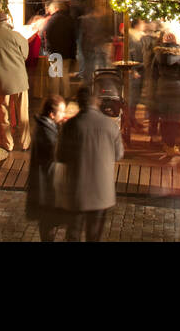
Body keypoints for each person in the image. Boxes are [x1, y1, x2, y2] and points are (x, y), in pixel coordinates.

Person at [56, 84, 123, 241]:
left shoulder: (71, 126)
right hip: (102, 192)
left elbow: (61, 156)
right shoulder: (111, 125)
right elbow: (118, 154)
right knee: (94, 235)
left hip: (77, 191)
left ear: (79, 103)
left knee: (74, 233)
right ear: (96, 102)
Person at [0, 10, 31, 151]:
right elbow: (25, 55)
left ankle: (8, 144)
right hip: (20, 79)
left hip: (3, 80)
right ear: (7, 22)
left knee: (4, 114)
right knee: (23, 113)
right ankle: (25, 143)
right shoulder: (16, 36)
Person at [26, 95, 66, 241]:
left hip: (46, 185)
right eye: (61, 112)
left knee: (49, 223)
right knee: (48, 223)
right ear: (52, 114)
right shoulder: (46, 131)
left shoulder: (46, 126)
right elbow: (56, 153)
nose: (64, 115)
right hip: (45, 186)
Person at [148, 31, 180, 155]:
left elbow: (153, 74)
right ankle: (171, 146)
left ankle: (166, 143)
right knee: (174, 119)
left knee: (164, 118)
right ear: (176, 42)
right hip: (177, 89)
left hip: (162, 88)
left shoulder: (157, 55)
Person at [42, 0, 78, 98]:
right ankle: (66, 95)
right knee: (64, 75)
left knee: (55, 76)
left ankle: (55, 96)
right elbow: (73, 37)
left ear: (55, 8)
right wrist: (73, 53)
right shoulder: (68, 19)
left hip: (55, 52)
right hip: (66, 52)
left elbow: (46, 36)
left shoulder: (51, 21)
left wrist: (48, 51)